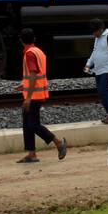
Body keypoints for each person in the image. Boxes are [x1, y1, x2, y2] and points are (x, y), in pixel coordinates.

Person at [17, 28, 66, 163]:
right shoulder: (38, 52)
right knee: (27, 124)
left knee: (32, 124)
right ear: (34, 39)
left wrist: (28, 98)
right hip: (37, 93)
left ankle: (59, 143)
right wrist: (24, 85)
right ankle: (31, 154)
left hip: (34, 96)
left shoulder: (29, 54)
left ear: (21, 41)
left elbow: (33, 74)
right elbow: (36, 75)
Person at [84, 17, 108, 124]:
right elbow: (94, 52)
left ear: (101, 29)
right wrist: (88, 64)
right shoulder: (97, 38)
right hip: (98, 69)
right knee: (101, 92)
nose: (93, 34)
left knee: (102, 91)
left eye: (95, 31)